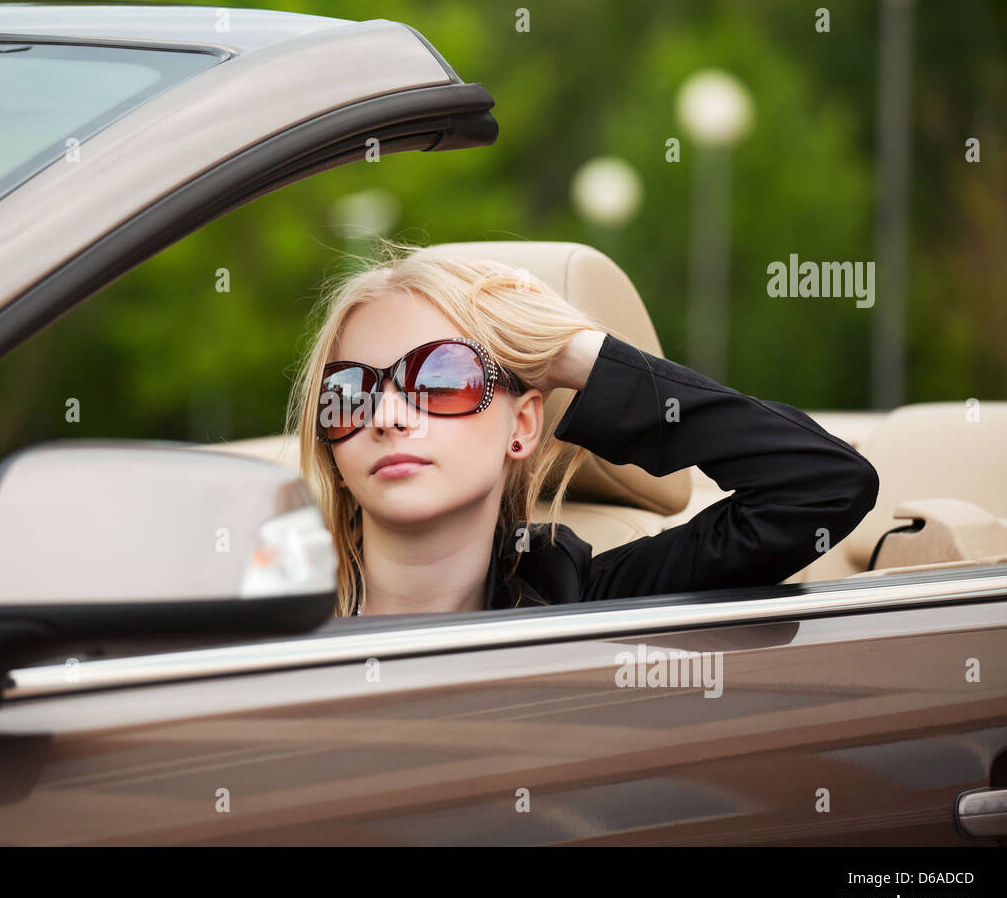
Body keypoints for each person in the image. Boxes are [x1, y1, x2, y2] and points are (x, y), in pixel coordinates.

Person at [285, 240, 880, 618]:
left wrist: (576, 353)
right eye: (351, 392)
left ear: (522, 425)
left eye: (441, 378)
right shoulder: (263, 602)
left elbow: (823, 485)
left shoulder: (583, 602)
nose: (386, 417)